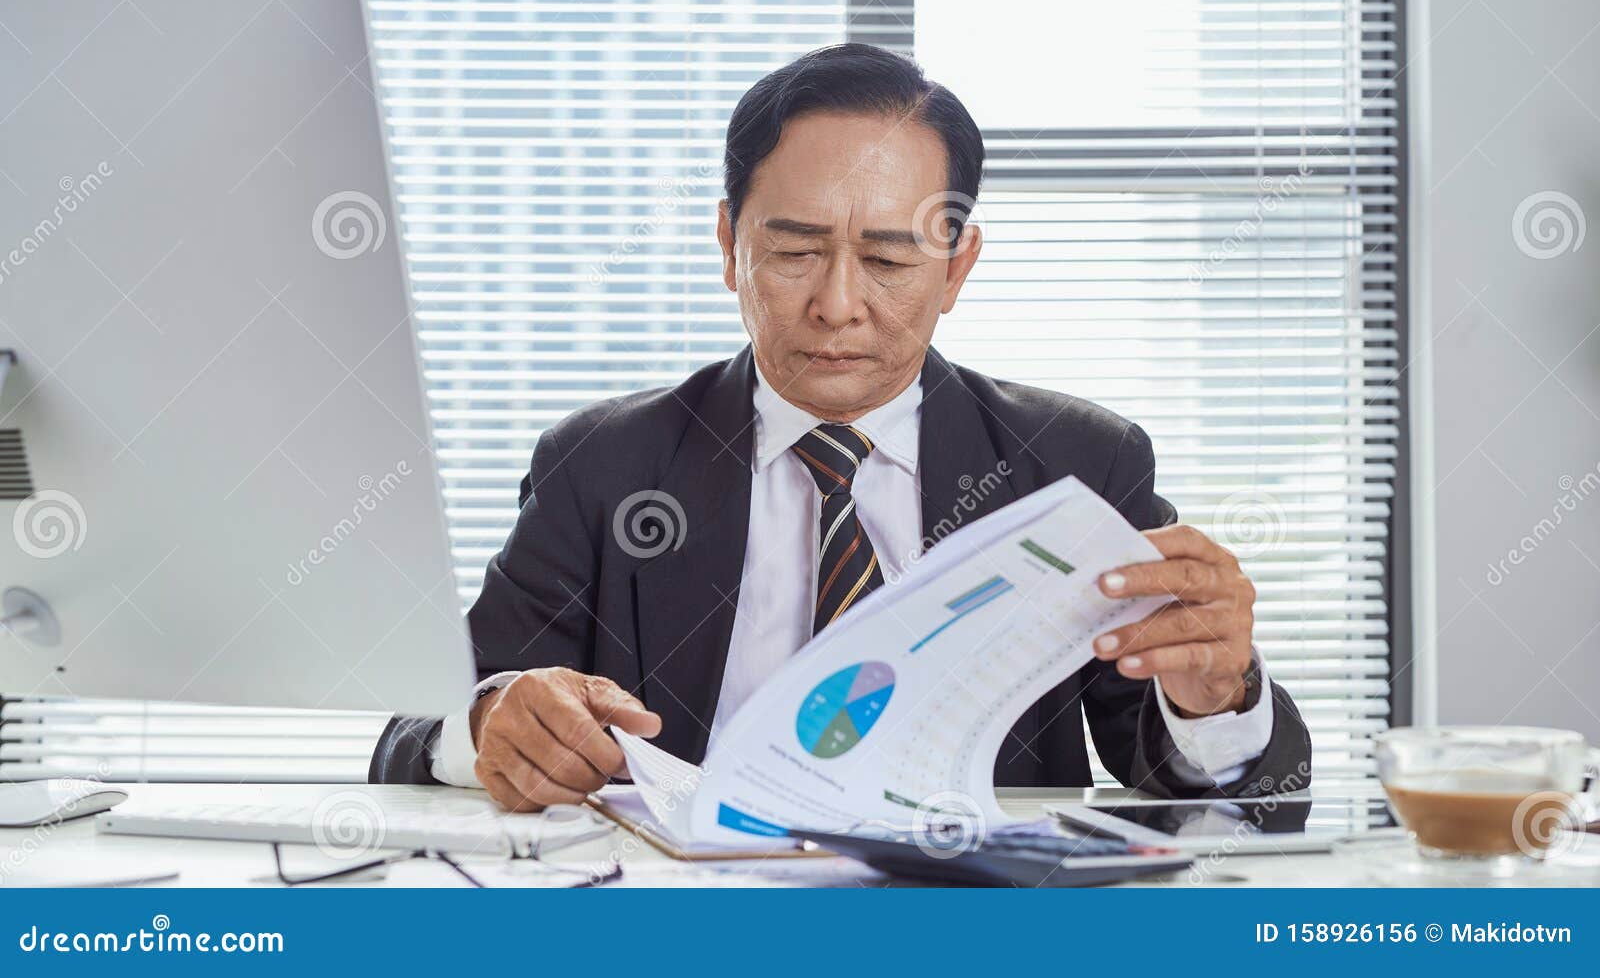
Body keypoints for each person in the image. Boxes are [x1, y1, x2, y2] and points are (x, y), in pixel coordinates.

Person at [370, 43, 1311, 809]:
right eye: (793, 250)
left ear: (957, 267)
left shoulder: (1075, 464)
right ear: (728, 245)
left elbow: (1236, 801)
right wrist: (497, 724)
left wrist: (1215, 697)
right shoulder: (604, 465)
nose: (837, 305)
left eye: (889, 260)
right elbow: (418, 736)